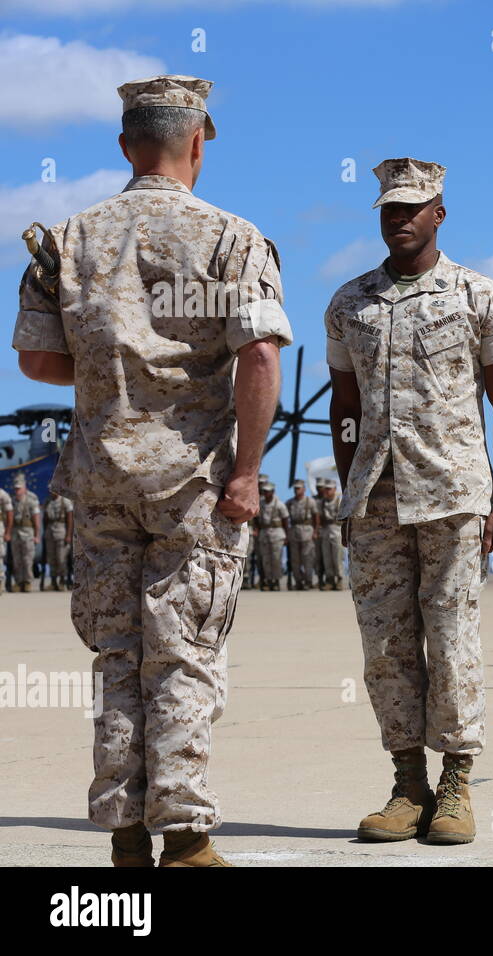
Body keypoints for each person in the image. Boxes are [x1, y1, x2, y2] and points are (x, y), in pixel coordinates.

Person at [13, 74, 290, 866]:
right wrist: (244, 472)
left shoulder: (69, 240)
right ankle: (189, 836)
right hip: (191, 484)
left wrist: (114, 373)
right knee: (185, 653)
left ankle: (126, 833)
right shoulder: (232, 238)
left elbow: (37, 358)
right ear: (199, 141)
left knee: (117, 658)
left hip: (100, 480)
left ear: (125, 144)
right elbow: (261, 357)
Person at [326, 157, 493, 846]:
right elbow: (345, 407)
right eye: (389, 208)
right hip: (376, 502)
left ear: (440, 213)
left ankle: (456, 786)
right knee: (385, 646)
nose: (400, 218)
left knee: (451, 640)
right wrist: (351, 493)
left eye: (413, 207)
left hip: (453, 496)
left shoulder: (482, 296)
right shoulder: (348, 303)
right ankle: (406, 783)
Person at [8, 475, 41, 592]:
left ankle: (27, 582)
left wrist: (37, 536)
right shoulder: (11, 500)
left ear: (24, 488)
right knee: (17, 559)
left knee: (27, 560)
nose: (17, 490)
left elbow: (36, 520)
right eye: (15, 488)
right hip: (16, 533)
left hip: (28, 533)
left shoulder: (32, 499)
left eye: (19, 488)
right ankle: (18, 582)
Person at [286, 478, 319, 590]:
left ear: (304, 489)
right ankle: (298, 581)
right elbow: (285, 518)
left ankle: (308, 581)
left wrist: (315, 531)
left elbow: (316, 517)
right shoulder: (289, 502)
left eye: (298, 488)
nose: (296, 490)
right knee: (295, 559)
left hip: (307, 531)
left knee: (307, 558)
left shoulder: (310, 502)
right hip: (294, 530)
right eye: (295, 489)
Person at [256, 480, 289, 590]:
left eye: (268, 491)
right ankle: (268, 580)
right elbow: (256, 518)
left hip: (277, 534)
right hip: (264, 533)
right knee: (266, 559)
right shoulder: (260, 503)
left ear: (273, 492)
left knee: (276, 558)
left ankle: (276, 580)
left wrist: (287, 536)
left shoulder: (280, 504)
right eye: (264, 491)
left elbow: (285, 520)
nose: (266, 493)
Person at [317, 477, 345, 590]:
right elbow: (318, 517)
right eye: (326, 489)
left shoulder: (339, 501)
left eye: (329, 489)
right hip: (325, 531)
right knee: (327, 558)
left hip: (336, 530)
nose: (327, 491)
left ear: (334, 489)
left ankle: (339, 580)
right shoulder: (322, 502)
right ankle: (329, 580)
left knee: (337, 558)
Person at [43, 491, 74, 591]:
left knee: (61, 559)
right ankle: (53, 582)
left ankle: (63, 581)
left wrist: (69, 535)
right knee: (51, 559)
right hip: (50, 533)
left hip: (62, 532)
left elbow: (70, 519)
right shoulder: (47, 501)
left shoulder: (65, 501)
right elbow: (45, 519)